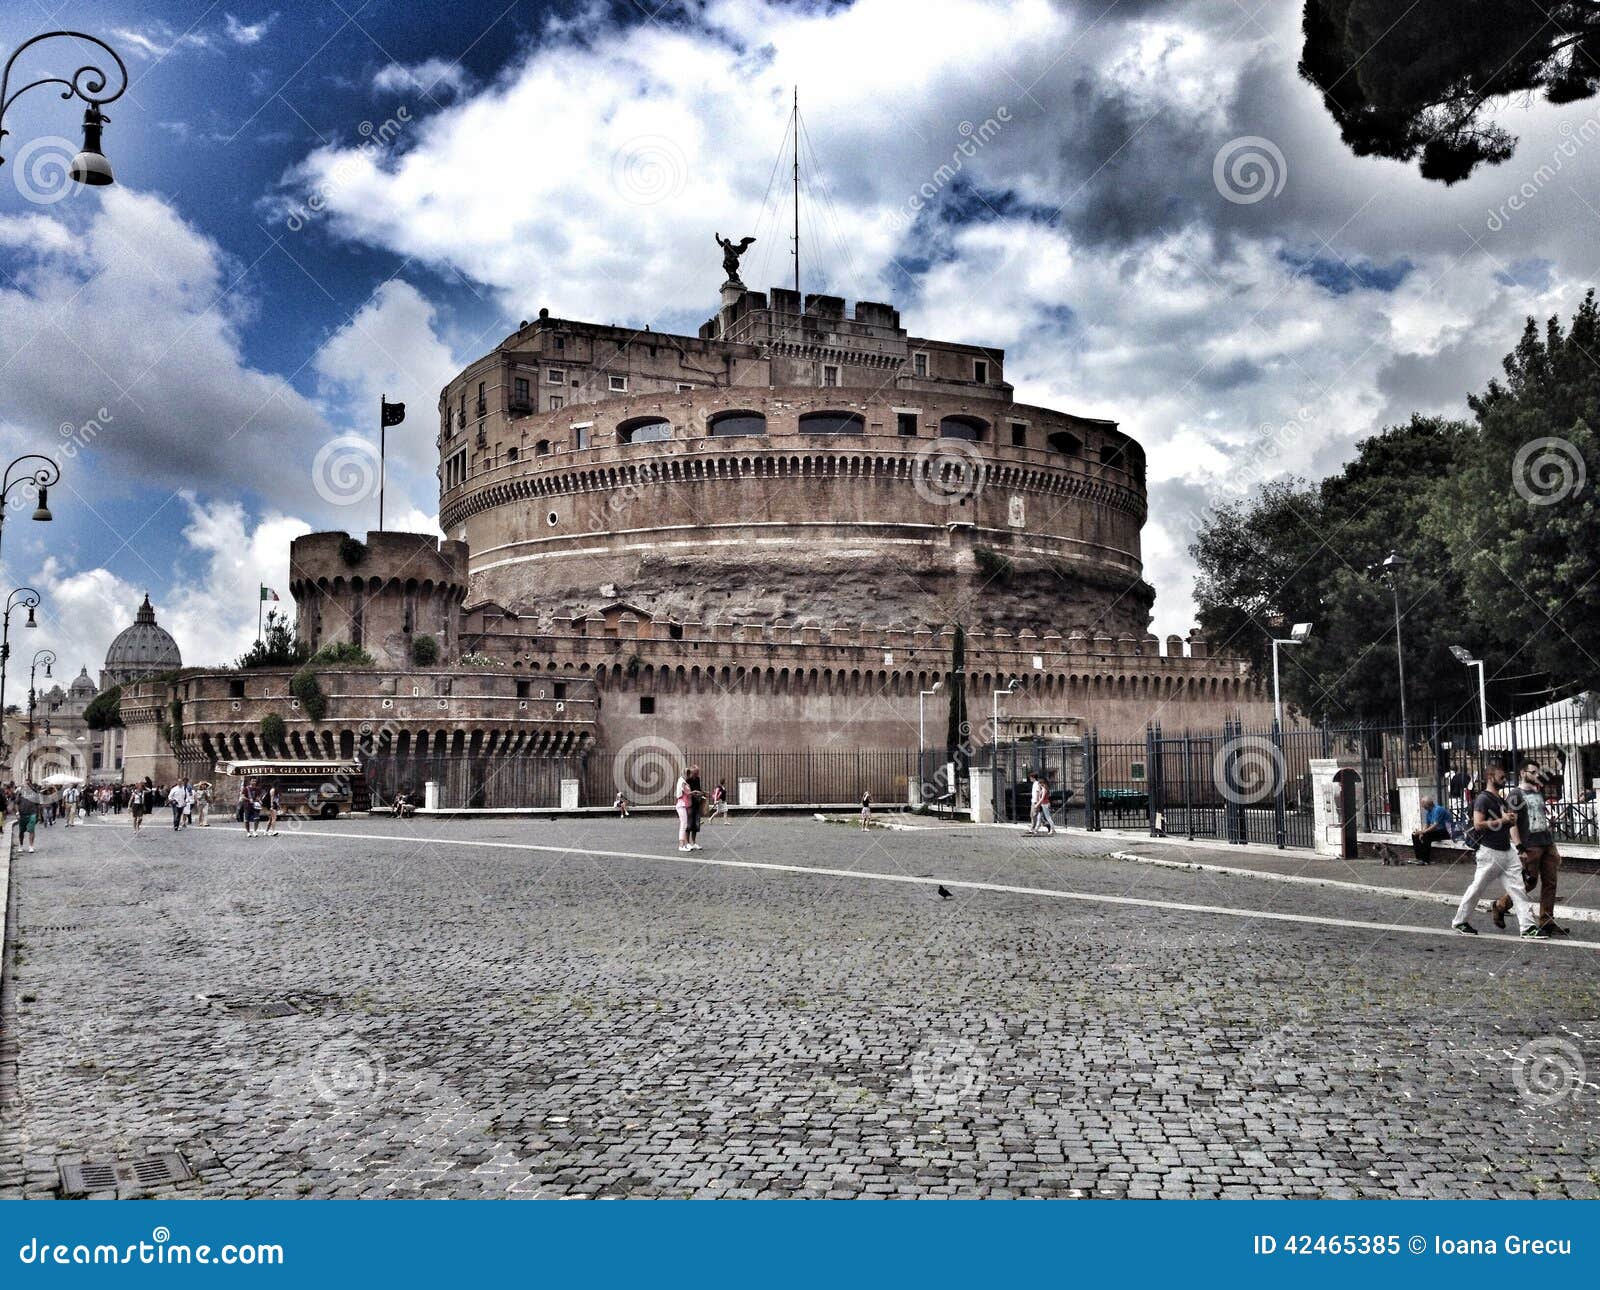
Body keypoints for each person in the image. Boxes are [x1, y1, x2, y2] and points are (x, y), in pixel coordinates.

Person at [1452, 765, 1540, 937]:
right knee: (1477, 888)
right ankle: (1460, 921)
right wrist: (1503, 819)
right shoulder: (1483, 799)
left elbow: (1506, 822)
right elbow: (1478, 824)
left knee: (1518, 889)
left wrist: (1510, 820)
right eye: (1501, 776)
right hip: (1490, 852)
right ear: (1490, 777)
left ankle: (1528, 927)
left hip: (1507, 851)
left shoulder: (1500, 799)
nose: (1504, 779)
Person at [1492, 762, 1568, 937]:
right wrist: (1519, 847)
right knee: (1529, 882)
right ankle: (1500, 905)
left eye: (1537, 772)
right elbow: (1512, 824)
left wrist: (1553, 847)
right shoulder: (1516, 794)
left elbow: (1541, 817)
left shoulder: (1537, 791)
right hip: (1530, 844)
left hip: (1546, 842)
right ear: (1522, 773)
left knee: (1550, 882)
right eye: (1532, 772)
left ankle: (1547, 921)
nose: (1536, 775)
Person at [1410, 796, 1450, 864]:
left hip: (1446, 831)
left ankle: (1425, 860)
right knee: (1415, 835)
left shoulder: (1438, 809)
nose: (1422, 806)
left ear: (1427, 805)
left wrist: (1423, 832)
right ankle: (1419, 858)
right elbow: (1426, 824)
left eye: (1423, 804)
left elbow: (1435, 825)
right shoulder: (1429, 812)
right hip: (1438, 831)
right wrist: (1421, 833)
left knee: (1426, 836)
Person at [685, 764, 705, 849]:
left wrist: (702, 793)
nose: (697, 774)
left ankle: (694, 842)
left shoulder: (698, 779)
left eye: (698, 772)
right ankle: (687, 843)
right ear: (692, 772)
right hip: (689, 804)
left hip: (697, 803)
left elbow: (699, 789)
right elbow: (686, 792)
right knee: (689, 824)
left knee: (696, 824)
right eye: (696, 773)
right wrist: (695, 792)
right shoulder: (687, 780)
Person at [674, 769, 693, 852]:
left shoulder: (682, 781)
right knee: (683, 825)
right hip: (681, 805)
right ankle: (681, 845)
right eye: (689, 774)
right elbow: (688, 792)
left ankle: (684, 845)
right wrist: (695, 792)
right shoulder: (682, 782)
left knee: (684, 825)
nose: (689, 776)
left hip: (682, 804)